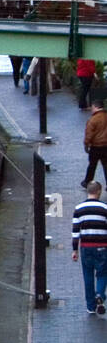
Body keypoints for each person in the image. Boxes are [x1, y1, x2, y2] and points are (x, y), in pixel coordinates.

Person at [72, 180, 107, 314]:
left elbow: (75, 231)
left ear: (88, 191)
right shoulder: (104, 208)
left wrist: (75, 249)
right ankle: (99, 295)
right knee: (103, 273)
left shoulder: (79, 208)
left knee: (88, 275)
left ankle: (91, 306)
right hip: (102, 247)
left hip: (86, 247)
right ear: (98, 191)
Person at [83, 101, 107, 188]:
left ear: (95, 107)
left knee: (92, 165)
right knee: (106, 165)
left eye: (92, 108)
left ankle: (87, 181)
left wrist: (86, 144)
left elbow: (89, 134)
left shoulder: (93, 119)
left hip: (96, 146)